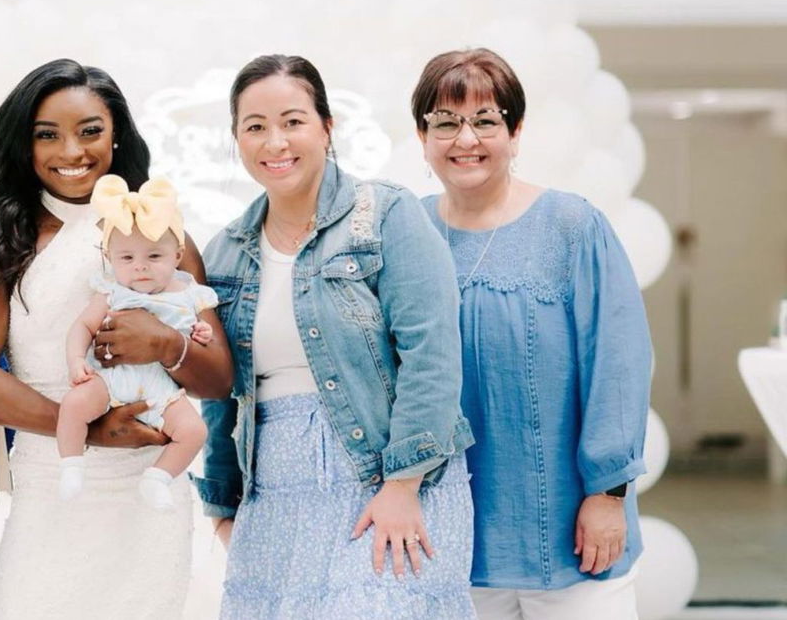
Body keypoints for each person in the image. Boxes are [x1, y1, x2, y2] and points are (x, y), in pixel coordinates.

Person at [0, 58, 233, 618]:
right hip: (55, 483)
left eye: (89, 131)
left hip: (149, 492)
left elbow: (220, 378)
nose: (70, 151)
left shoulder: (164, 235)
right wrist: (92, 430)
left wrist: (164, 344)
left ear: (117, 135)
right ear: (20, 144)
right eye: (46, 135)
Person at [197, 54, 476, 618]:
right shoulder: (224, 252)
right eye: (255, 127)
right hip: (274, 491)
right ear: (237, 140)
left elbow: (433, 355)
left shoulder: (386, 215)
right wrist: (224, 504)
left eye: (293, 121)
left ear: (328, 127)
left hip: (388, 477)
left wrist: (402, 485)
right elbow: (222, 394)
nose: (275, 141)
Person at [412, 47, 651, 619]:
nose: (464, 139)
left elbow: (617, 364)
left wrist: (607, 494)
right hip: (447, 538)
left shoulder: (571, 225)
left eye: (485, 121)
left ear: (515, 132)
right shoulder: (407, 232)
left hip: (569, 535)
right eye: (445, 122)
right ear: (423, 136)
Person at [57, 175, 214, 509]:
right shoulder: (113, 291)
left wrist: (202, 335)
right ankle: (71, 465)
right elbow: (83, 326)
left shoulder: (189, 294)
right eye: (126, 258)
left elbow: (197, 340)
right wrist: (75, 360)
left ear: (178, 255)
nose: (140, 266)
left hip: (161, 388)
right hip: (112, 378)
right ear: (111, 260)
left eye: (154, 256)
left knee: (195, 431)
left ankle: (158, 477)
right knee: (73, 406)